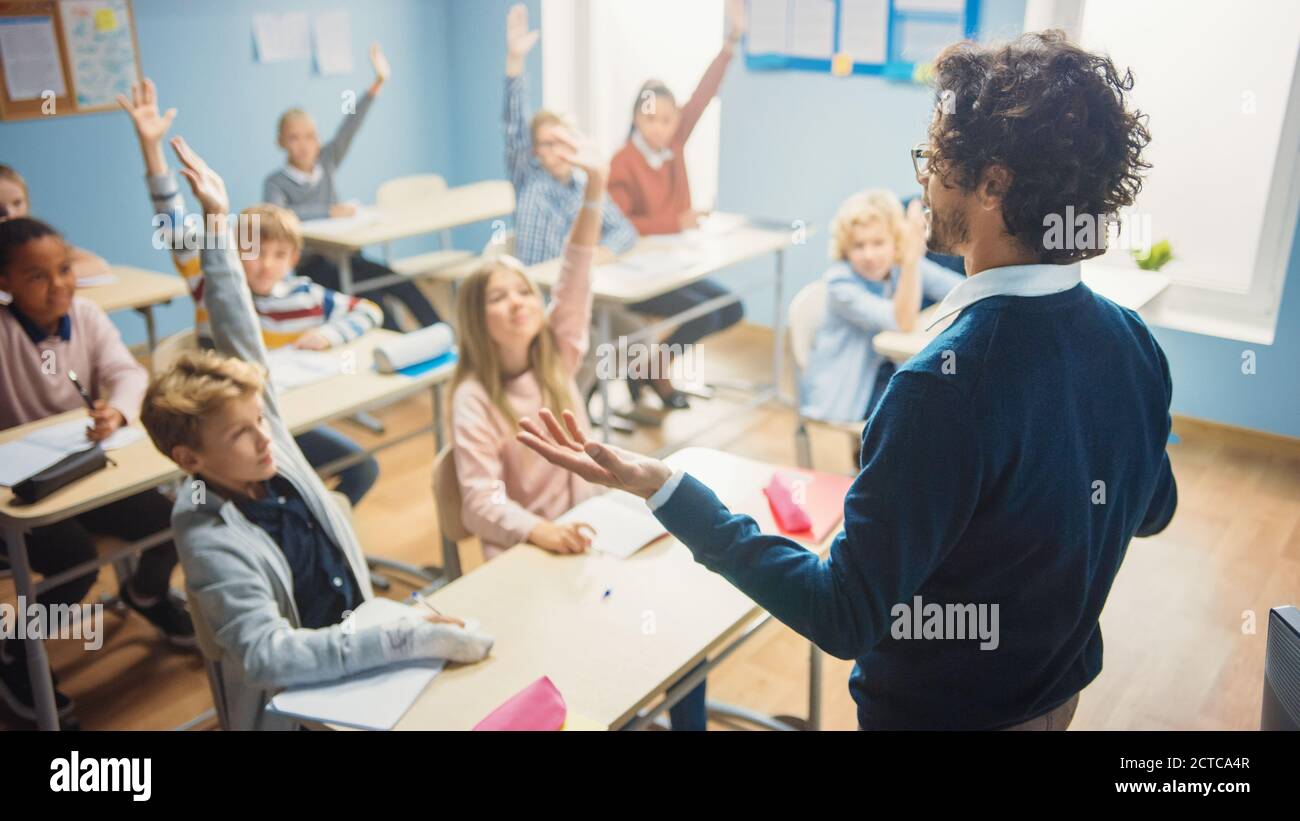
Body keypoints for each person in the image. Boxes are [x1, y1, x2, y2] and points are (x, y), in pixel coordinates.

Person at [517, 31, 1177, 731]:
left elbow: (842, 613)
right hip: (1056, 698)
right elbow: (1152, 508)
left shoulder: (940, 388)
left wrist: (667, 489)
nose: (924, 181)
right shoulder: (1132, 342)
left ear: (993, 184)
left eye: (936, 158)